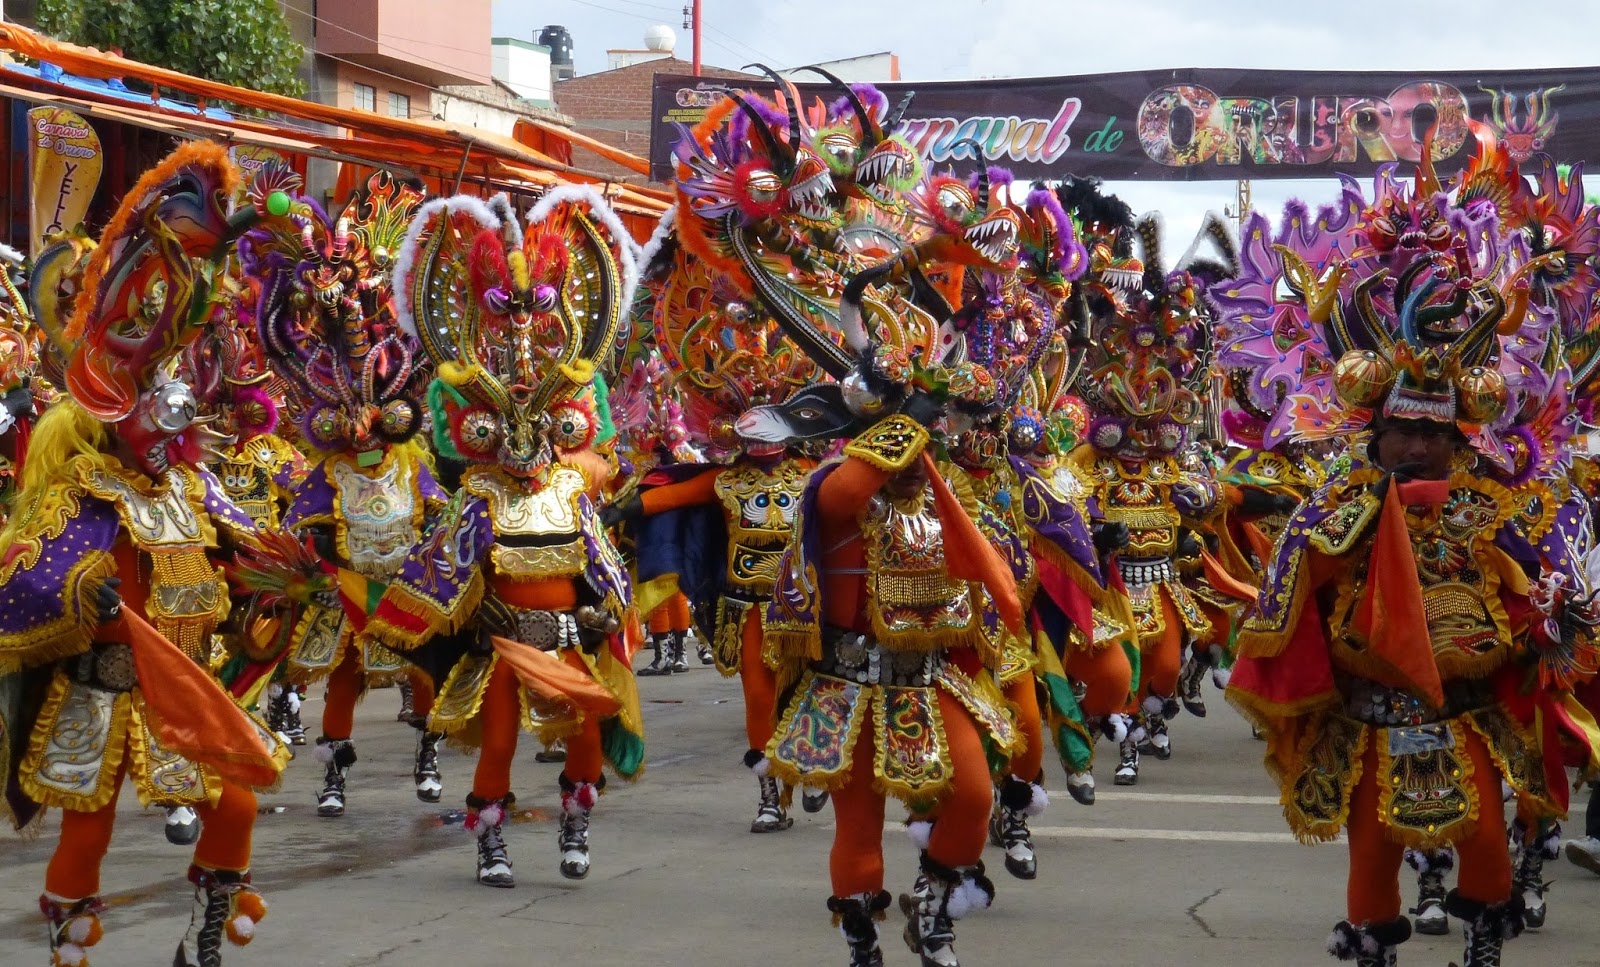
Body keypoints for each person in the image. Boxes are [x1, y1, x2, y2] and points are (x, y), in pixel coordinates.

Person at [0, 142, 289, 967]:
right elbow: (21, 578)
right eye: (158, 414)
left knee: (236, 805)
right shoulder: (82, 486)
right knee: (86, 834)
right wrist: (82, 596)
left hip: (183, 698)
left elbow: (240, 551)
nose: (175, 425)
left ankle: (208, 932)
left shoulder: (191, 491)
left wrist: (277, 578)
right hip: (101, 693)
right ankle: (67, 947)